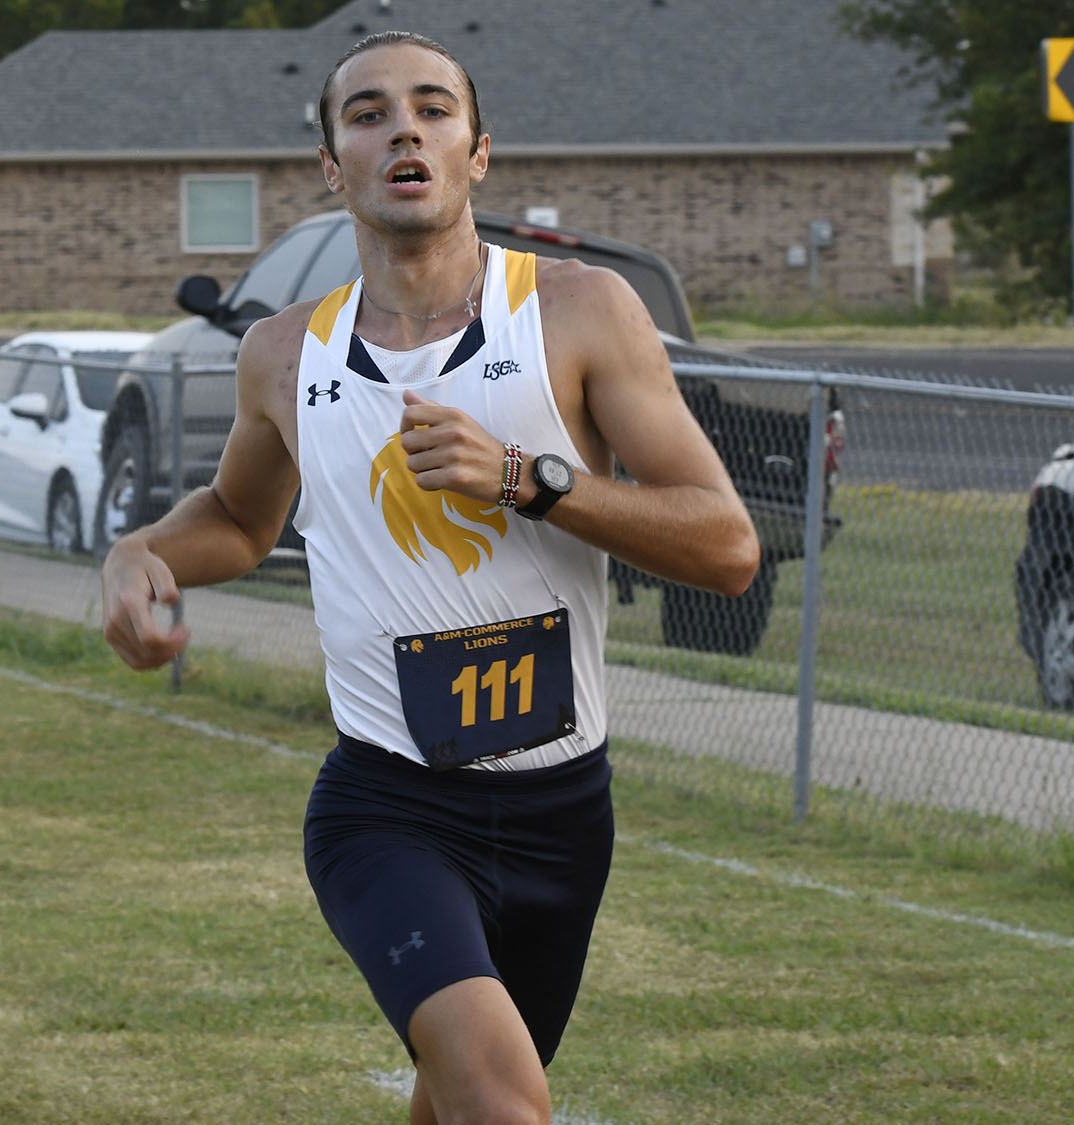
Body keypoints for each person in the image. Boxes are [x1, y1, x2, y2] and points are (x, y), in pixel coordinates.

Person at [101, 31, 758, 1125]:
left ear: (477, 151)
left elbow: (725, 546)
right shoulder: (279, 354)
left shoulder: (578, 311)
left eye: (430, 107)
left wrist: (520, 478)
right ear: (331, 165)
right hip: (388, 807)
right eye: (365, 113)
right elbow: (234, 519)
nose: (401, 126)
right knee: (503, 1106)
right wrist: (138, 554)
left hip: (561, 812)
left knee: (454, 1103)